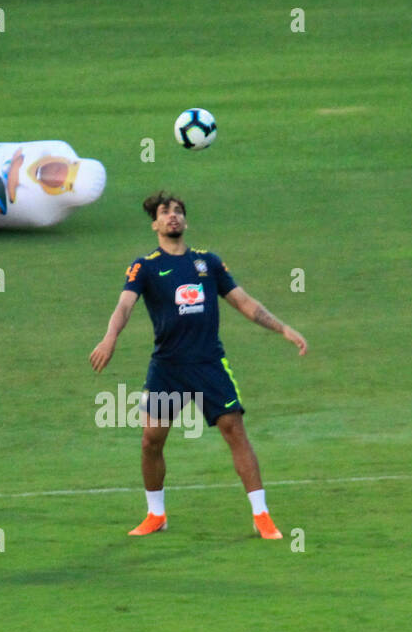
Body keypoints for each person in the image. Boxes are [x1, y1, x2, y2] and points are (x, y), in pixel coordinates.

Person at [89, 191, 307, 539]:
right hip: (167, 368)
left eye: (178, 211)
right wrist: (110, 337)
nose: (172, 216)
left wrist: (282, 328)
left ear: (185, 221)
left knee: (235, 432)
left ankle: (261, 515)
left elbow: (243, 302)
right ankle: (156, 514)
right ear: (155, 225)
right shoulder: (144, 266)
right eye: (165, 212)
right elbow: (125, 305)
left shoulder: (209, 263)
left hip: (208, 364)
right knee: (150, 441)